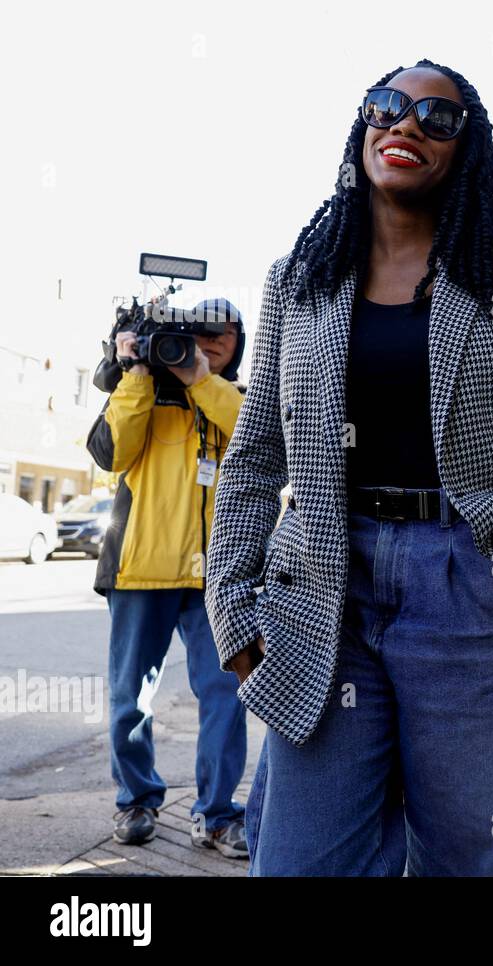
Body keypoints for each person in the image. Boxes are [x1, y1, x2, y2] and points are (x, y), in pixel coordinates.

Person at [204, 60, 493, 876]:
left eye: (438, 118)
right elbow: (254, 457)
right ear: (363, 127)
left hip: (477, 585)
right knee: (299, 859)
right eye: (387, 108)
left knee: (474, 858)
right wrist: (230, 599)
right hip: (323, 584)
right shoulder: (301, 277)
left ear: (466, 150)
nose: (406, 126)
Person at [87, 297, 250, 858]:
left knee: (227, 695)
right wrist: (135, 369)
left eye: (224, 334)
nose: (209, 341)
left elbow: (256, 442)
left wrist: (201, 380)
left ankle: (219, 814)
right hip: (138, 569)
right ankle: (136, 802)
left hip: (217, 575)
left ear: (237, 345)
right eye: (199, 333)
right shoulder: (140, 391)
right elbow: (111, 453)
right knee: (130, 699)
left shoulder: (233, 399)